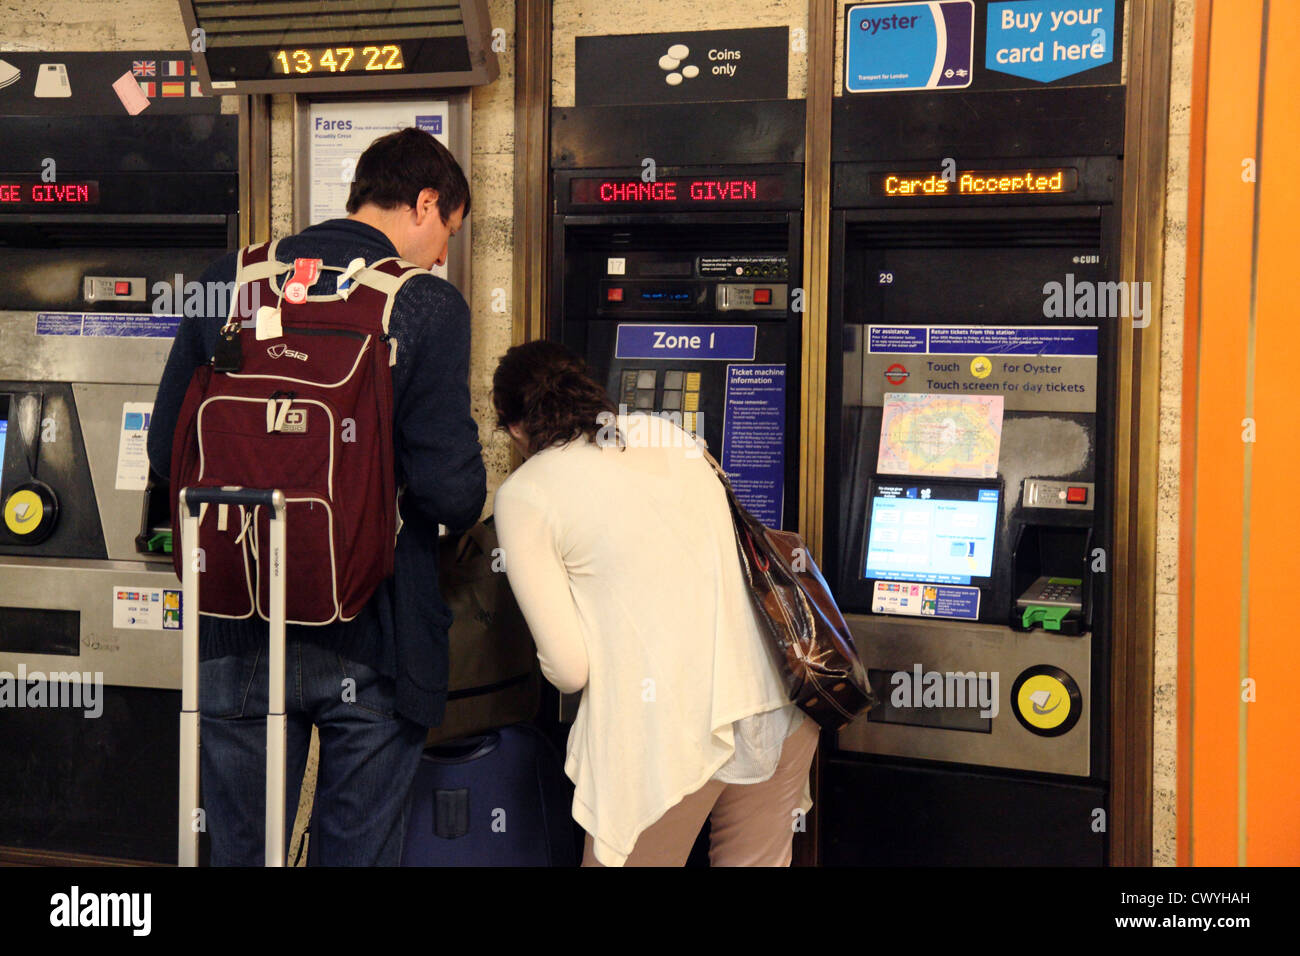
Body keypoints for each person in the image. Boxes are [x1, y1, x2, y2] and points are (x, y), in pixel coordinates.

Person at [148, 128, 486, 865]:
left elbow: (163, 452)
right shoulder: (424, 303)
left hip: (237, 625)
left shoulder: (228, 278)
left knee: (241, 849)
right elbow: (452, 492)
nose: (440, 255)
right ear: (426, 202)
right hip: (374, 633)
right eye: (448, 234)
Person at [491, 340, 820, 867]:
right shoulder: (667, 433)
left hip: (668, 735)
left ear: (512, 427)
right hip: (778, 698)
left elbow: (570, 670)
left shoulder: (525, 494)